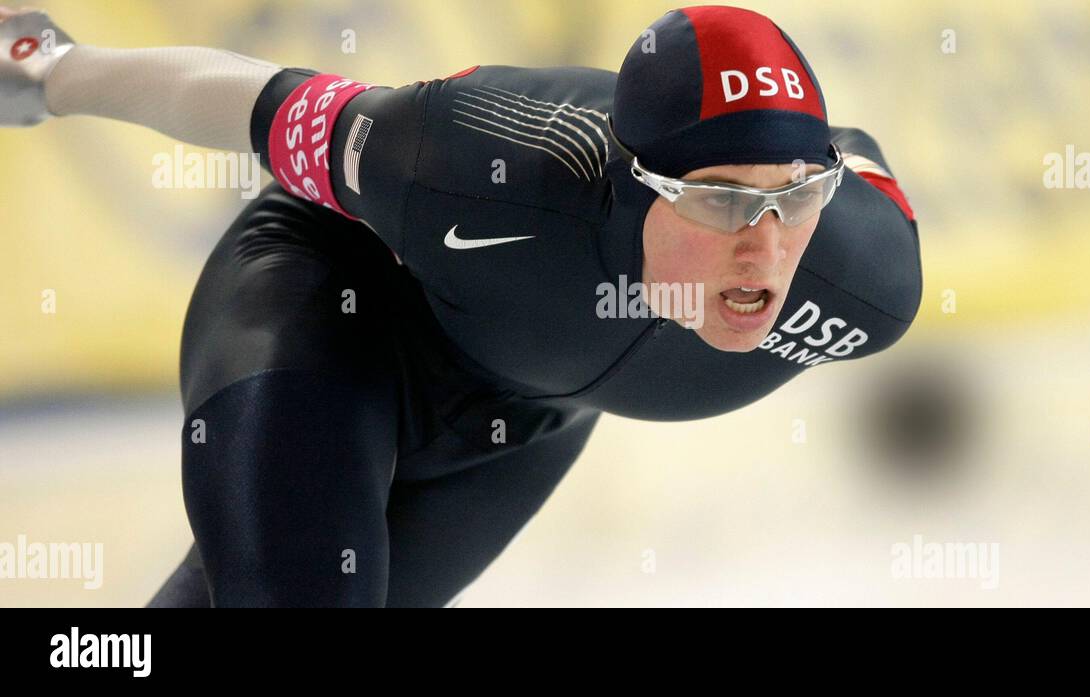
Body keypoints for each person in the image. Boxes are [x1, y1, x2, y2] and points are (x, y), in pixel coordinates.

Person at [1, 4, 922, 607]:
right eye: (720, 199)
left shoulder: (861, 276)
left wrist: (793, 183)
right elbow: (247, 100)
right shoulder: (478, 159)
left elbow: (854, 156)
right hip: (333, 305)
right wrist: (49, 69)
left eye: (792, 198)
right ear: (635, 185)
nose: (764, 247)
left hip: (523, 410)